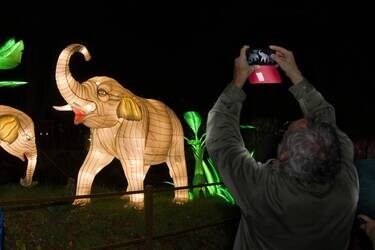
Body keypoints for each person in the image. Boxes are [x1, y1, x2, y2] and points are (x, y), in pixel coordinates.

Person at [206, 45, 359, 250]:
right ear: (332, 146)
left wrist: (238, 80)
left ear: (284, 154)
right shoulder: (346, 179)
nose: (307, 122)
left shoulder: (266, 190)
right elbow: (325, 116)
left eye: (287, 130)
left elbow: (222, 141)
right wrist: (294, 73)